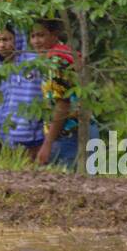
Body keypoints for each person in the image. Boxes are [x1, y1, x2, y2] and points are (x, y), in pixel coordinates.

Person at [30, 18, 97, 172]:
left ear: (54, 35)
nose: (36, 41)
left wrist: (47, 144)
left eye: (41, 35)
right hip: (81, 131)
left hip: (70, 136)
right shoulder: (64, 55)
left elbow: (63, 104)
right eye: (33, 36)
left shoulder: (56, 62)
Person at [0, 24, 44, 156]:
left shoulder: (34, 63)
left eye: (6, 39)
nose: (1, 45)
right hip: (3, 136)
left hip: (32, 136)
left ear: (17, 39)